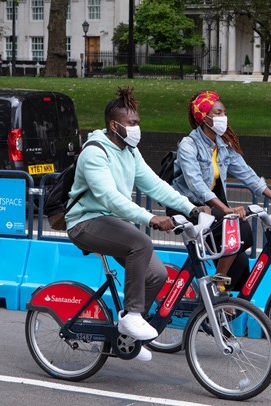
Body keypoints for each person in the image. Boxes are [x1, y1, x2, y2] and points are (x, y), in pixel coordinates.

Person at [65, 87, 205, 362]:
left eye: (137, 122)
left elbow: (154, 184)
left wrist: (191, 208)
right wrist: (151, 218)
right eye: (132, 123)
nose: (137, 128)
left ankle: (128, 334)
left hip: (113, 223)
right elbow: (110, 198)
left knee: (157, 275)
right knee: (142, 242)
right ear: (114, 125)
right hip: (85, 222)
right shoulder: (94, 153)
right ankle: (132, 315)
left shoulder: (130, 152)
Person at [171, 90, 271, 291]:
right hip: (189, 206)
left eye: (224, 112)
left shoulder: (223, 145)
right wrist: (226, 210)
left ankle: (222, 307)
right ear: (204, 117)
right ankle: (216, 285)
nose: (223, 117)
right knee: (240, 230)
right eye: (217, 113)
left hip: (213, 207)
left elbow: (247, 174)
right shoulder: (188, 145)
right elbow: (196, 185)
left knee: (240, 264)